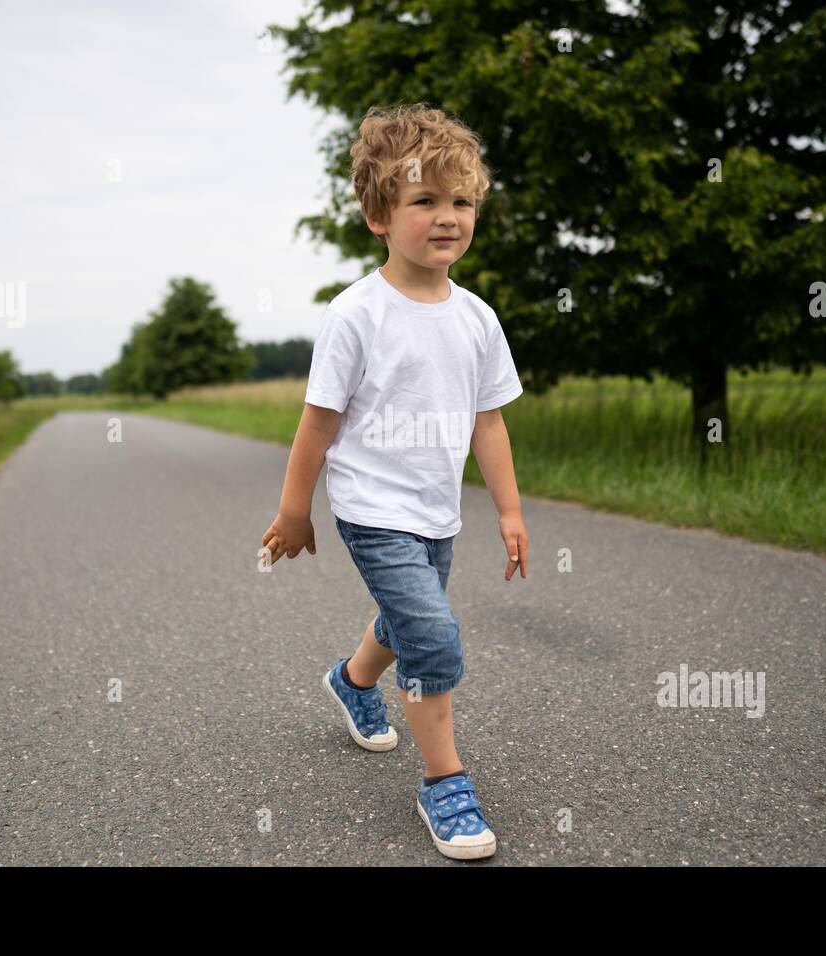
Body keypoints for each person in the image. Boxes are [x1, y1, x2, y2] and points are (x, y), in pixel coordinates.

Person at [260, 103, 528, 861]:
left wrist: (509, 511)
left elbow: (488, 423)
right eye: (425, 200)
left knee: (406, 617)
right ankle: (445, 783)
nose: (448, 217)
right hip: (372, 509)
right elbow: (318, 422)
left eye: (462, 201)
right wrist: (295, 511)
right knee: (432, 637)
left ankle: (353, 682)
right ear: (378, 215)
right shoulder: (357, 315)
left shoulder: (477, 319)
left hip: (437, 509)